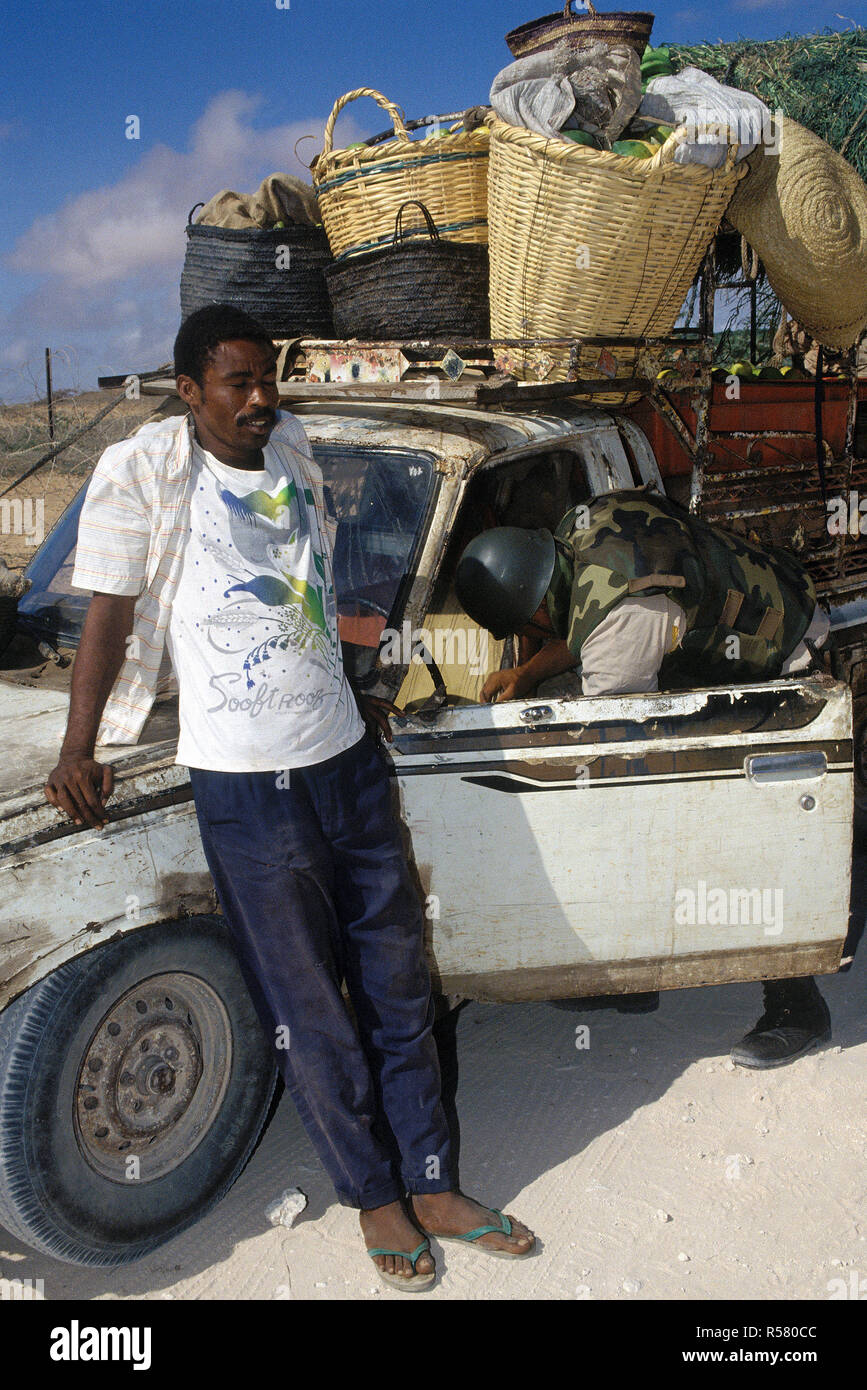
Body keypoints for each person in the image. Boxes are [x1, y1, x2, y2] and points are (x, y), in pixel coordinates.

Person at [43, 304, 534, 1291]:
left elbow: (318, 573)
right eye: (239, 382)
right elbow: (110, 607)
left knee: (399, 982)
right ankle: (375, 1197)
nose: (262, 397)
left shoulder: (294, 443)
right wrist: (77, 745)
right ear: (190, 390)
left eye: (268, 378)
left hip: (346, 762)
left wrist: (357, 684)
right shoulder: (144, 470)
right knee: (311, 1006)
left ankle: (433, 1179)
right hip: (246, 788)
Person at [455, 487, 833, 1070]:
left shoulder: (624, 621)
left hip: (779, 641)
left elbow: (618, 747)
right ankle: (632, 969)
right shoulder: (577, 527)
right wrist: (529, 672)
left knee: (740, 824)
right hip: (732, 604)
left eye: (527, 630)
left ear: (533, 608)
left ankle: (797, 1004)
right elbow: (587, 618)